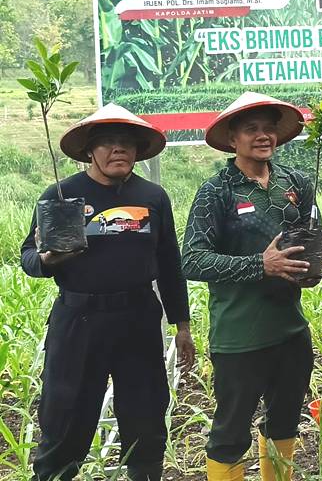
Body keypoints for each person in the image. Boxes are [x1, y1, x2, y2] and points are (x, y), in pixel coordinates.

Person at [21, 103, 194, 481]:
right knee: (66, 418)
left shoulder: (152, 197)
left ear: (138, 150)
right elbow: (29, 258)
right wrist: (48, 259)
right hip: (78, 322)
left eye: (127, 143)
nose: (119, 149)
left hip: (138, 320)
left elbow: (170, 264)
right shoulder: (61, 194)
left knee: (146, 419)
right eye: (108, 142)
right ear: (89, 151)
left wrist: (182, 325)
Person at [181, 92, 319, 481]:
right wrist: (260, 265)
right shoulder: (217, 190)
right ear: (232, 138)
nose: (263, 136)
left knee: (285, 421)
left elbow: (309, 239)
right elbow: (192, 259)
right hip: (239, 334)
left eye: (268, 129)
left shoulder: (295, 181)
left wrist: (309, 268)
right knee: (230, 431)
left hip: (290, 328)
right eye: (251, 129)